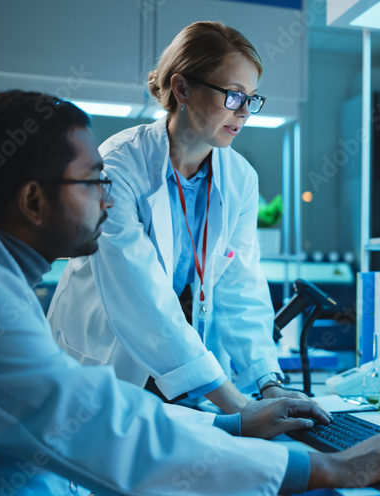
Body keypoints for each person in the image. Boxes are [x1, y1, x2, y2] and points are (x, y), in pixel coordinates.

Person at [0, 90, 380, 496]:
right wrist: (330, 468)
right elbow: (97, 425)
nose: (108, 197)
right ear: (33, 201)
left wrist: (235, 422)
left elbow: (99, 408)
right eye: (93, 181)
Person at [48, 22, 298, 415]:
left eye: (252, 98)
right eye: (234, 96)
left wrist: (267, 382)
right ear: (182, 88)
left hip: (185, 381)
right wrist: (235, 404)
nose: (246, 112)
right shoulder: (119, 166)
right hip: (103, 366)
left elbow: (240, 286)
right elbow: (140, 299)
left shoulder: (240, 179)